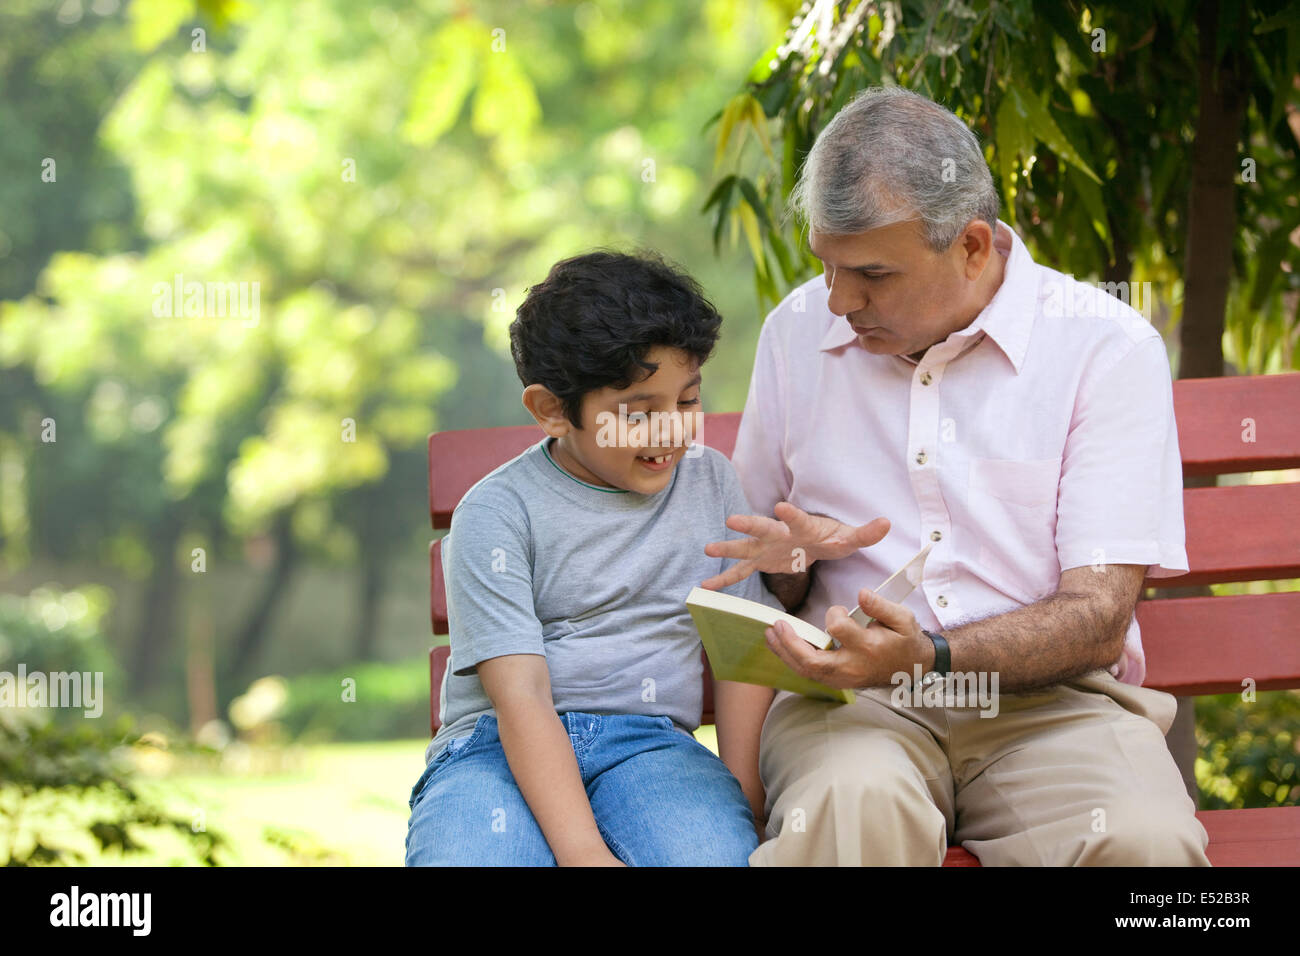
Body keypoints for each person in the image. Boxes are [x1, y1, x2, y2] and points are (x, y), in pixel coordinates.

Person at [704, 87, 1210, 866]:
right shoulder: (796, 333)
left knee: (1146, 843)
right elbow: (765, 583)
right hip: (854, 703)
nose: (839, 301)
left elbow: (1098, 615)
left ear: (973, 247)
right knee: (850, 812)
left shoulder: (1105, 349)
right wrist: (795, 566)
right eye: (827, 266)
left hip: (1056, 707)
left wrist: (932, 657)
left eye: (872, 273)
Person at [405, 250, 780, 866]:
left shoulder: (711, 482)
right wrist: (583, 853)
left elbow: (740, 650)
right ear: (552, 410)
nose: (672, 433)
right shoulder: (497, 512)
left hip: (650, 746)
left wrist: (744, 799)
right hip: (494, 747)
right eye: (639, 412)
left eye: (686, 402)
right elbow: (520, 695)